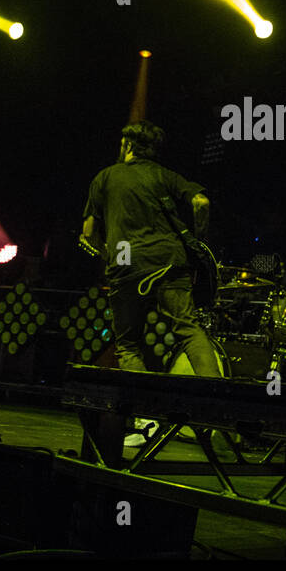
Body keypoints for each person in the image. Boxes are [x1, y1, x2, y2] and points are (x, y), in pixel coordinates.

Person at [80, 121, 221, 379]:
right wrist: (200, 241)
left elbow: (88, 233)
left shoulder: (105, 177)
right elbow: (201, 202)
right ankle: (218, 397)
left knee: (128, 345)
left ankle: (144, 414)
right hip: (170, 260)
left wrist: (106, 252)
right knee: (189, 329)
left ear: (130, 145)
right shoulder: (163, 174)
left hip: (127, 263)